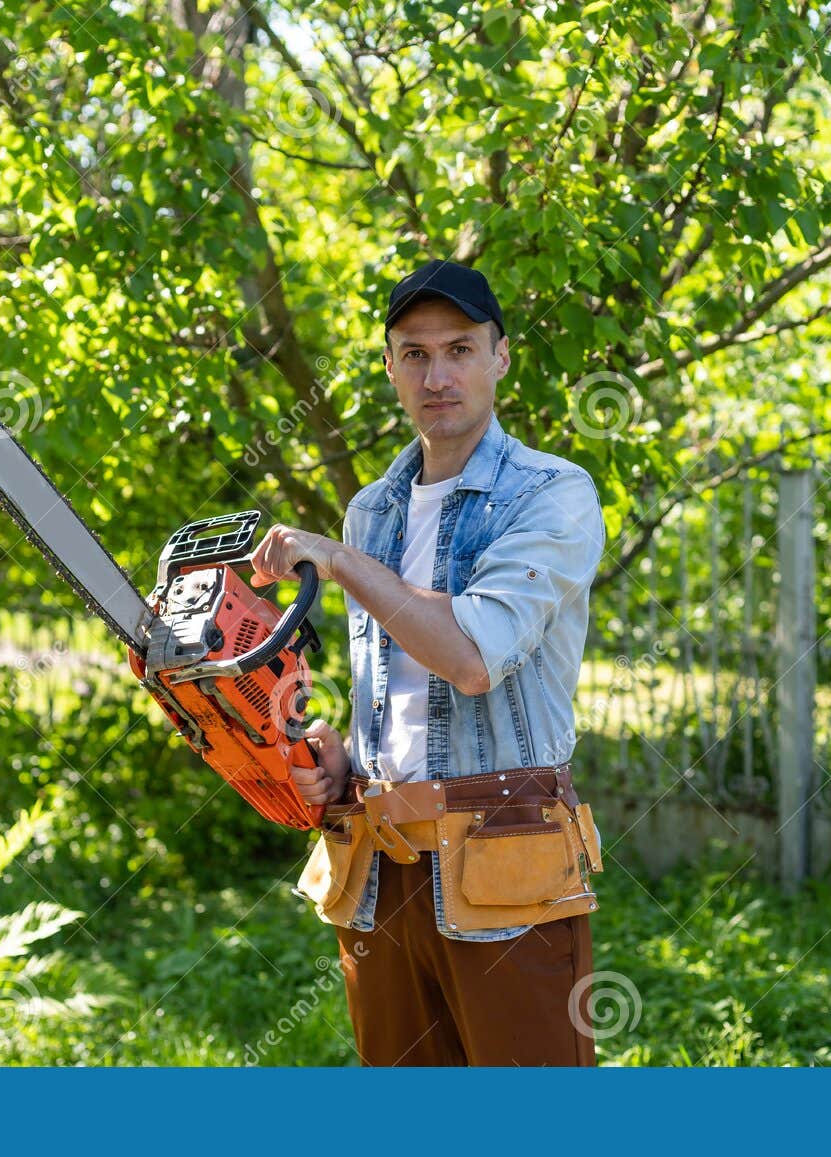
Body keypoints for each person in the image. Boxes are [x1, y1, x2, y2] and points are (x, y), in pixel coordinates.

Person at [248, 258, 607, 1066]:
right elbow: (400, 688)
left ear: (500, 356)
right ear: (389, 366)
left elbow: (473, 656)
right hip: (379, 870)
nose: (437, 374)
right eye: (415, 353)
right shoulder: (371, 510)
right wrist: (347, 760)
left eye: (460, 349)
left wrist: (337, 562)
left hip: (503, 863)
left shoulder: (551, 493)